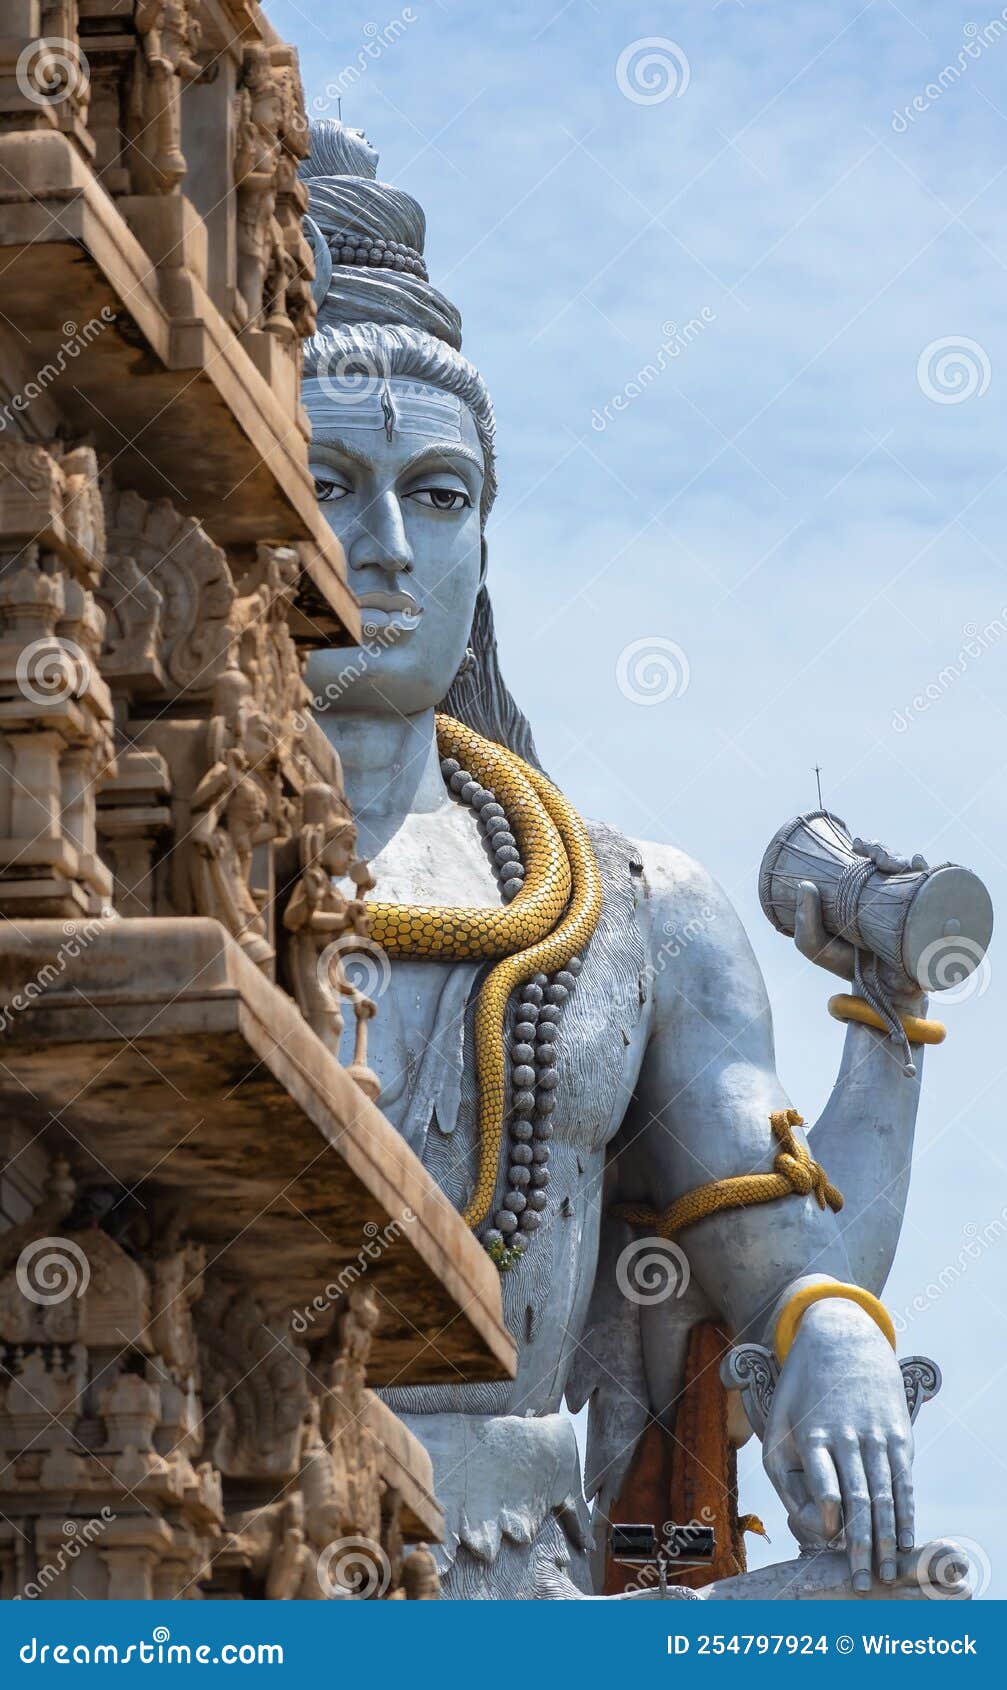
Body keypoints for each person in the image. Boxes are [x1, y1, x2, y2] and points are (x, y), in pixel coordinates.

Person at [301, 121, 931, 1600]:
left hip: (512, 1573)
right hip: (170, 1543)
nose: (387, 546)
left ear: (483, 542)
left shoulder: (623, 909)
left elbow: (778, 1258)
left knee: (896, 1601)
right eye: (327, 481)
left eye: (439, 494)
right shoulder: (125, 873)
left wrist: (834, 1328)